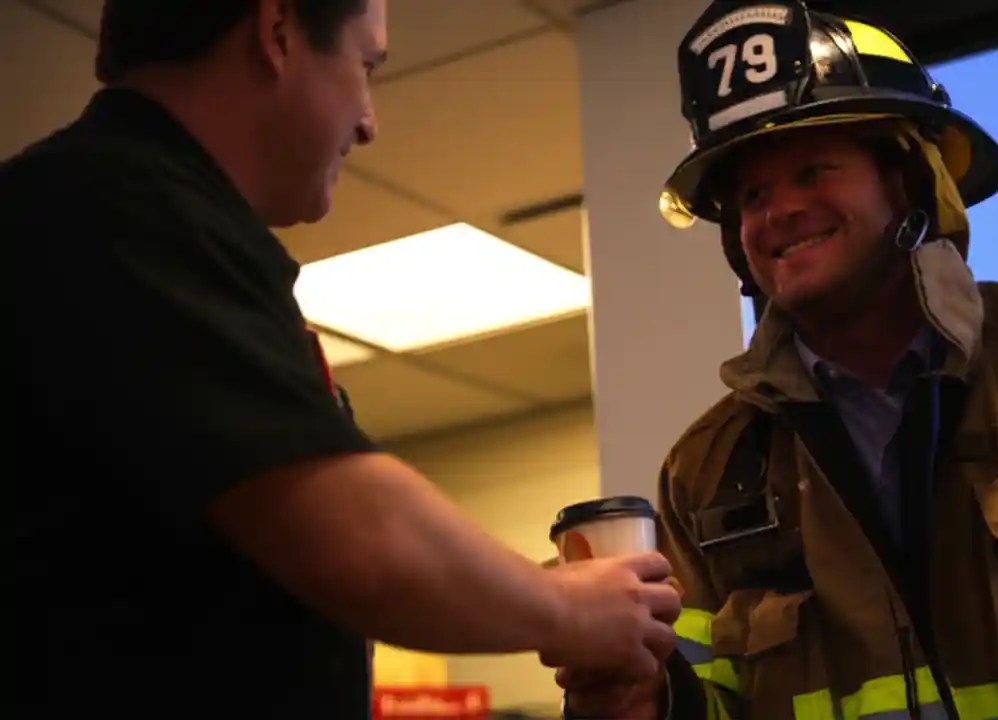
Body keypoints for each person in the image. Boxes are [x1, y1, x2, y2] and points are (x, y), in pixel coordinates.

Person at [555, 1, 998, 718]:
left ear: (908, 182)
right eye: (751, 193)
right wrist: (645, 699)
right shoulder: (706, 473)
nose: (778, 211)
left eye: (812, 170)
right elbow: (710, 705)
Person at [7, 1, 679, 716]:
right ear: (276, 32)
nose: (368, 120)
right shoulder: (108, 207)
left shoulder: (156, 231)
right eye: (365, 66)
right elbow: (358, 537)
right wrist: (565, 608)